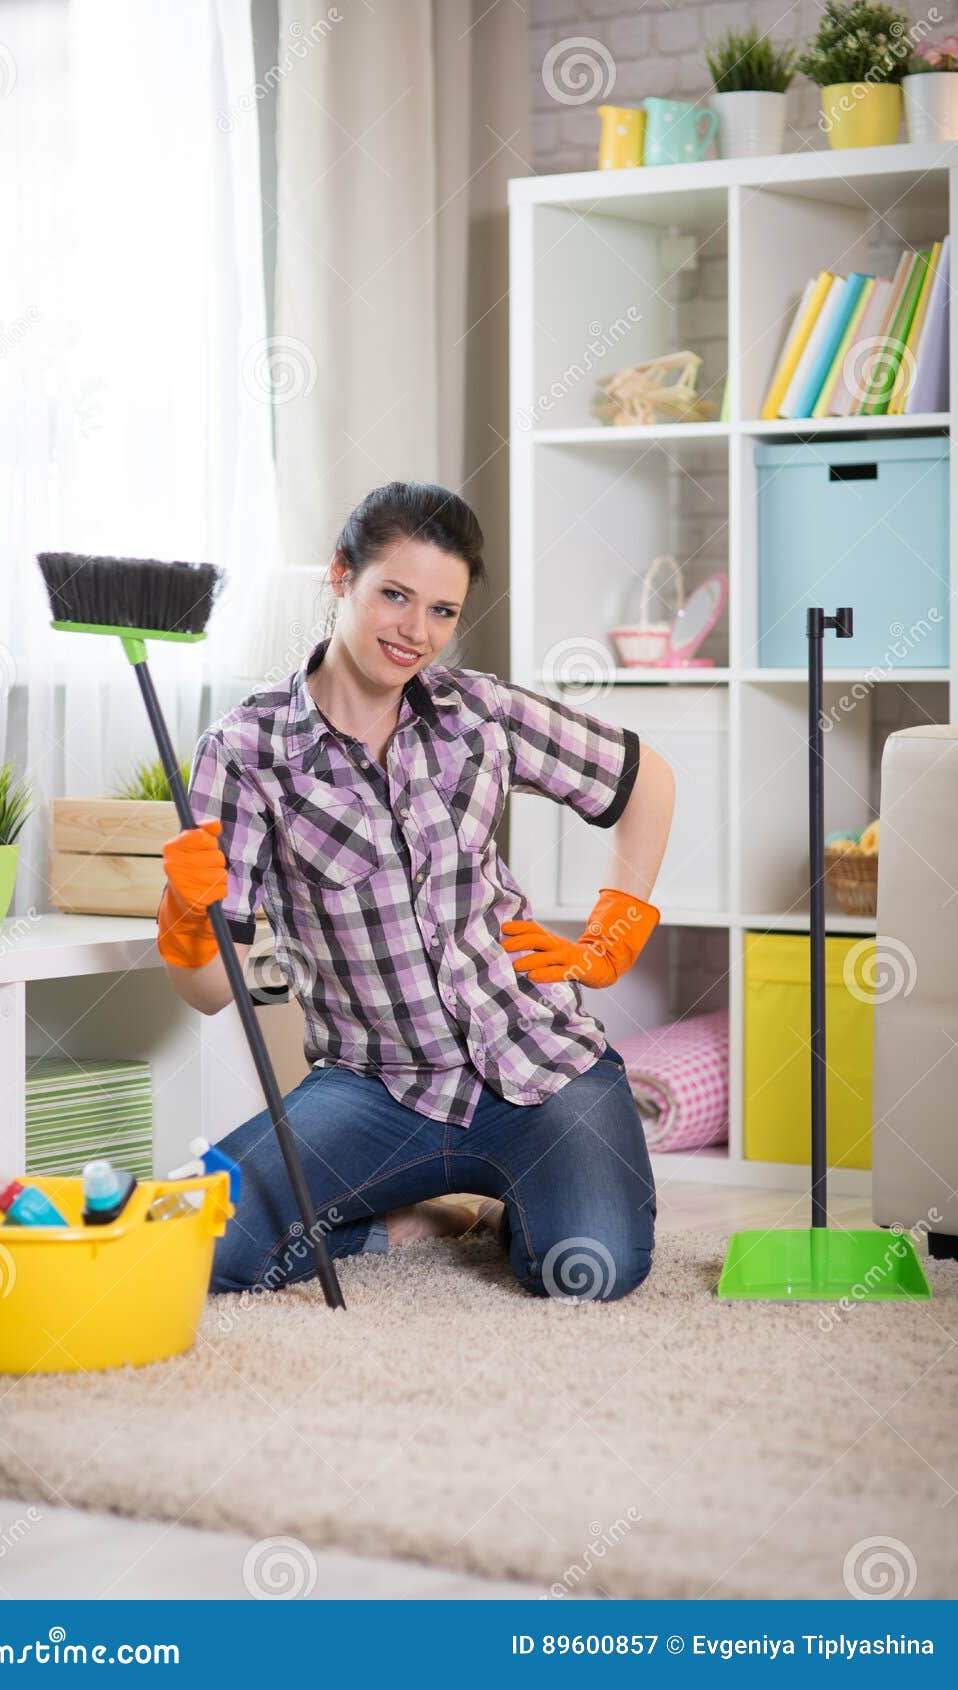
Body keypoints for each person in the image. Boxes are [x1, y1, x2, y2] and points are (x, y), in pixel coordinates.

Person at [159, 481, 675, 1301]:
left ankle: (526, 1203)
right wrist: (187, 916)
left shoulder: (481, 713)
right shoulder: (247, 748)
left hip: (537, 1063)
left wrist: (615, 927)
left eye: (441, 610)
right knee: (198, 1247)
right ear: (341, 577)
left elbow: (643, 779)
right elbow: (206, 990)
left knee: (589, 1269)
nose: (415, 632)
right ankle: (412, 1218)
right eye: (394, 595)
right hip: (376, 1088)